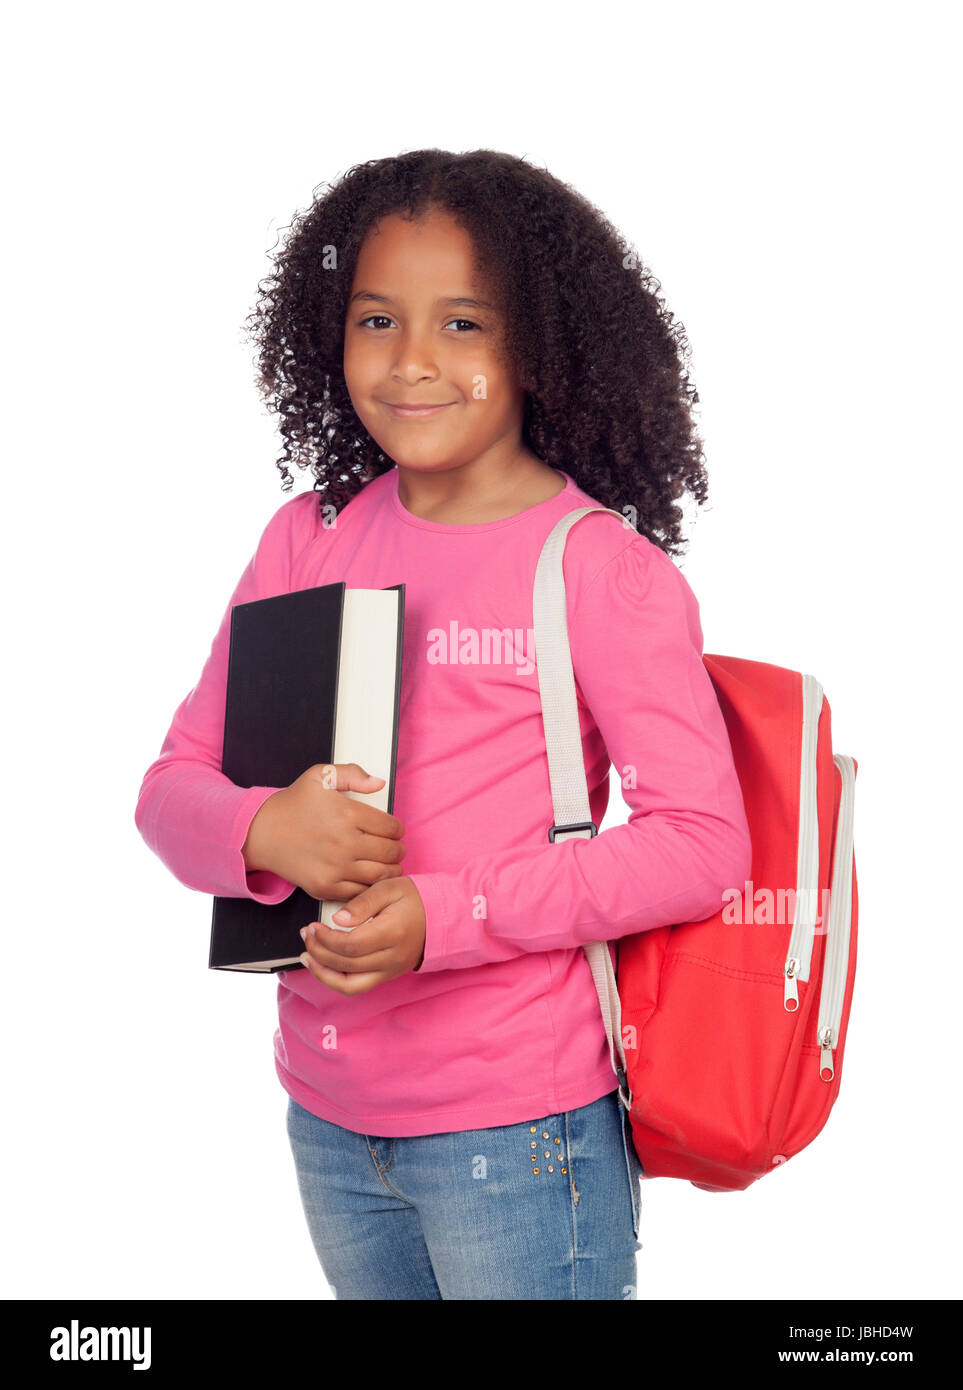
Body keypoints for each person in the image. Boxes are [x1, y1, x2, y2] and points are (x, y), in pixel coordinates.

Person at [134, 148, 752, 1300]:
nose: (413, 361)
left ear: (542, 342)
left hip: (520, 1137)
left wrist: (446, 913)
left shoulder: (596, 572)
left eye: (464, 324)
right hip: (326, 1118)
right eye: (378, 319)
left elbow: (704, 844)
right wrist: (268, 828)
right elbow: (169, 788)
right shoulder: (307, 538)